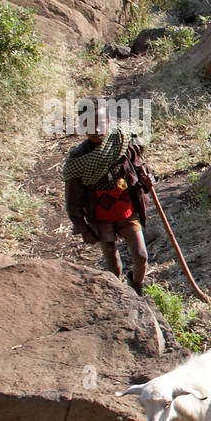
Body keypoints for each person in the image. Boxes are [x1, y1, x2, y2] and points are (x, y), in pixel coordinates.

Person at [62, 101, 153, 295]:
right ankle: (119, 295)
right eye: (88, 124)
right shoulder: (78, 160)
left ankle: (136, 288)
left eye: (100, 122)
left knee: (141, 256)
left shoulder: (122, 142)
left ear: (109, 121)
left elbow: (140, 168)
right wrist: (83, 229)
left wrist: (147, 179)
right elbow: (73, 202)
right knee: (113, 266)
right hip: (101, 217)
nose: (95, 129)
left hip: (127, 211)